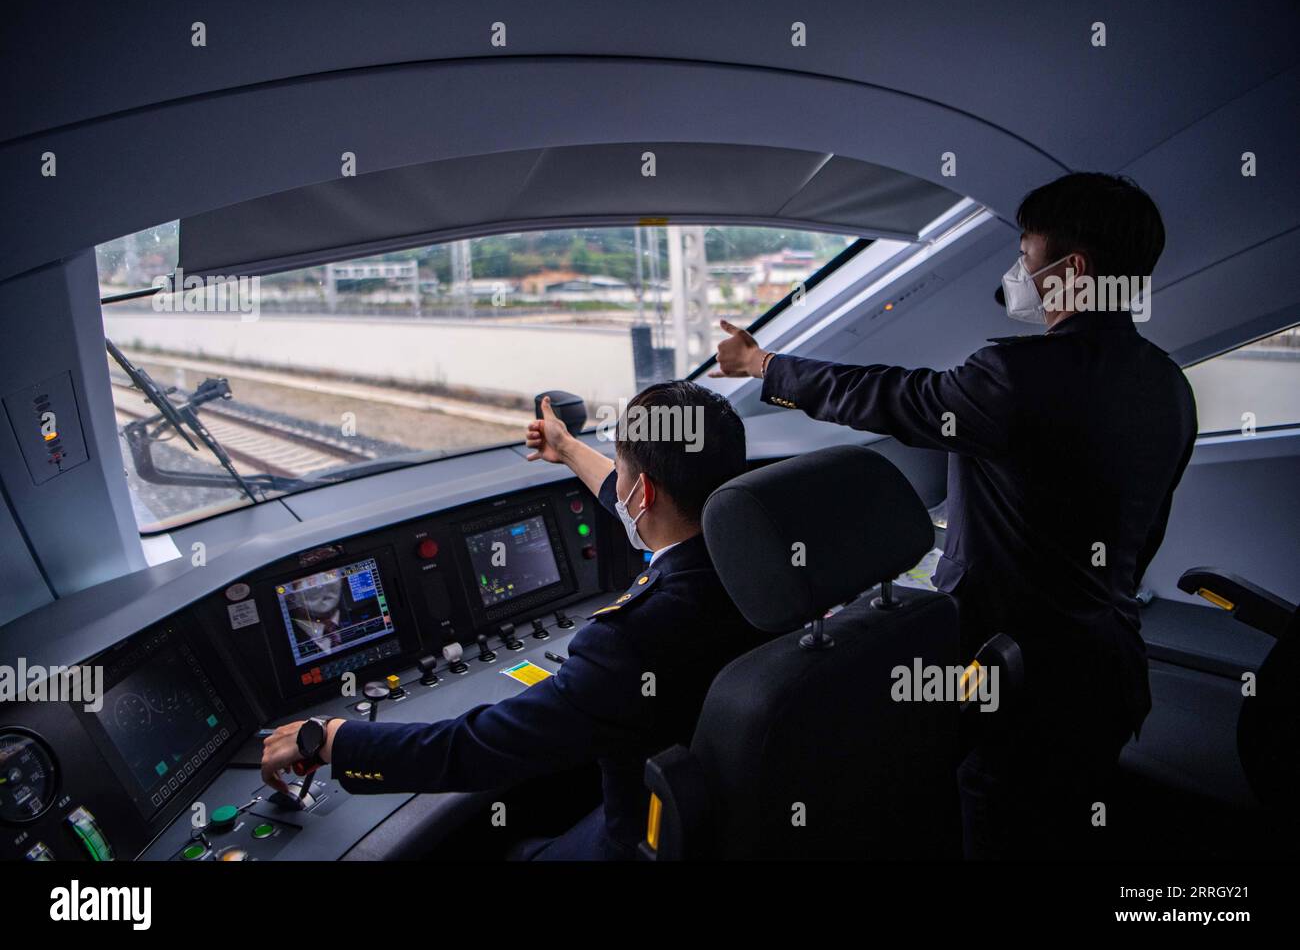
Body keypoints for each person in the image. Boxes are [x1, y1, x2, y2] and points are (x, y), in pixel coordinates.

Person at [711, 172, 1197, 859]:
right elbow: (1139, 541)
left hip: (1017, 681)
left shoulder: (1014, 374)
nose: (1018, 272)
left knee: (997, 824)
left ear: (1074, 271)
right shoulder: (1169, 385)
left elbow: (885, 397)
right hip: (1111, 671)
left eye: (1026, 255)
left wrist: (763, 365)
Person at [261, 380, 755, 860]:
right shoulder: (765, 567)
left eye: (624, 475)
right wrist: (565, 448)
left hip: (642, 839)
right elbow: (635, 497)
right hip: (735, 810)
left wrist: (330, 740)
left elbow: (474, 749)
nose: (618, 490)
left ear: (644, 493)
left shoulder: (631, 638)